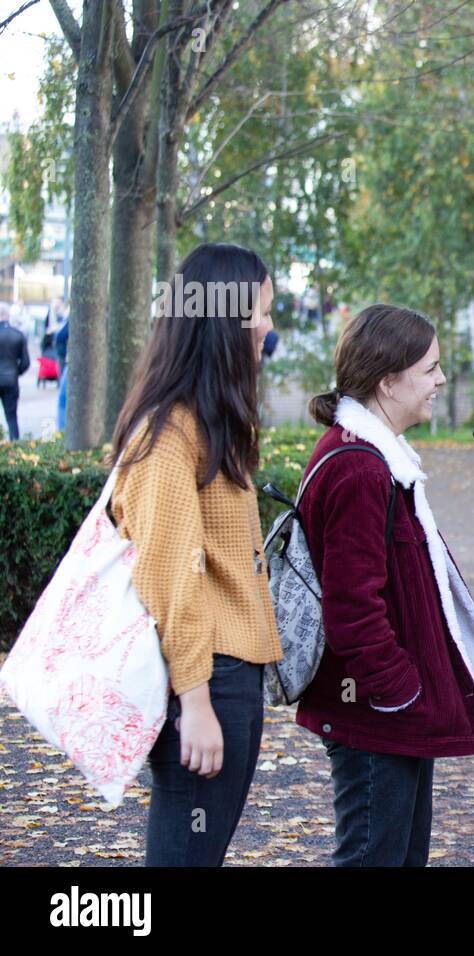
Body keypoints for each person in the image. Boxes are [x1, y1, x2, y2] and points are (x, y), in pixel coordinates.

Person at [297, 305, 474, 867]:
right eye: (431, 368)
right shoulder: (360, 469)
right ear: (388, 382)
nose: (441, 379)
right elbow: (351, 608)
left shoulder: (381, 459)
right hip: (374, 713)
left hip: (389, 711)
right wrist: (400, 690)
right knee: (373, 860)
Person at [108, 242, 283, 866]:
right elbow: (171, 576)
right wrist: (197, 704)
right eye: (261, 311)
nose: (268, 326)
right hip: (208, 677)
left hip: (230, 673)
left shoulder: (209, 422)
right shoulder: (170, 431)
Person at [0, 303, 31, 441]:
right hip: (11, 380)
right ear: (7, 315)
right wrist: (15, 372)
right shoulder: (18, 335)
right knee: (11, 416)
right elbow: (25, 362)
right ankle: (15, 444)